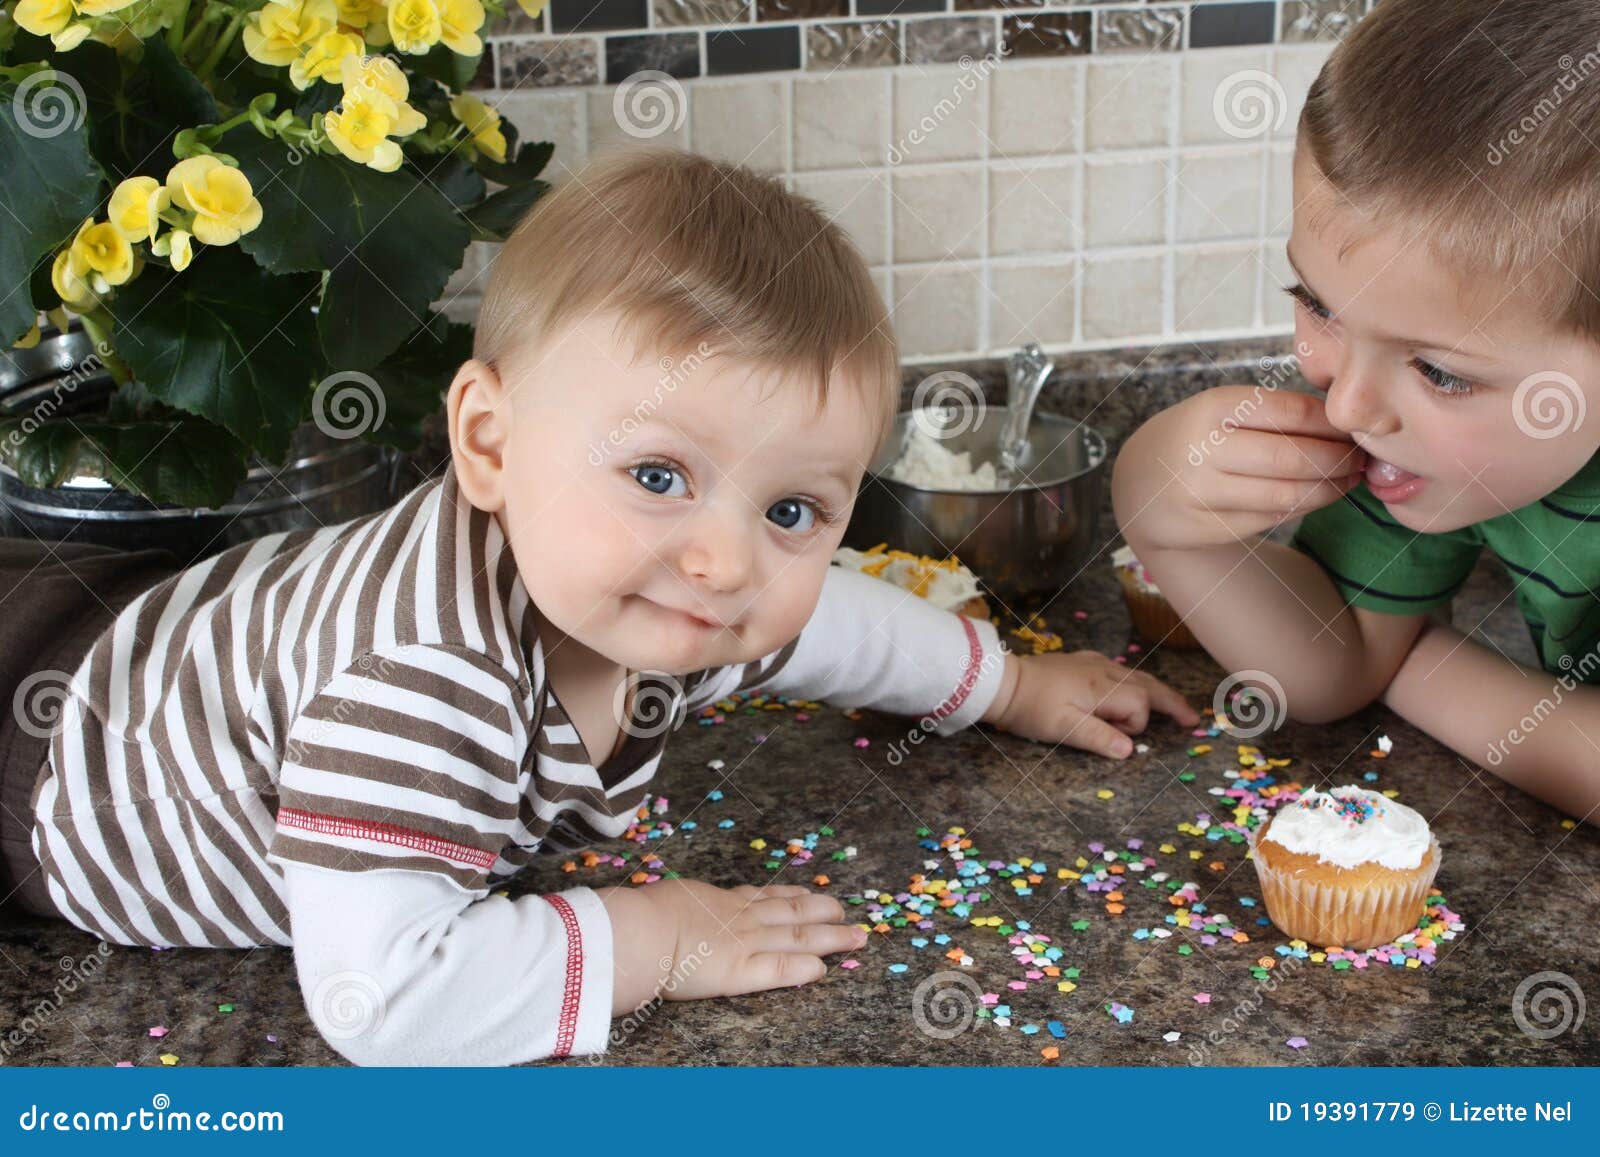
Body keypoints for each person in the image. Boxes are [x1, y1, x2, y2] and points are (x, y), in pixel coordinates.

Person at [0, 147, 1197, 1065]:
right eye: (657, 475)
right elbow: (387, 997)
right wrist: (660, 937)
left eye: (791, 509)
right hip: (44, 750)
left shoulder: (659, 591)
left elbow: (826, 620)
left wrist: (1013, 682)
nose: (727, 559)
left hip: (131, 629)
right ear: (487, 442)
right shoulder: (423, 676)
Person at [1113, 0, 1600, 824]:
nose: (1347, 403)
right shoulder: (1426, 448)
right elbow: (1334, 667)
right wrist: (1157, 515)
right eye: (1317, 303)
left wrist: (1418, 664)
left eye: (1441, 372)